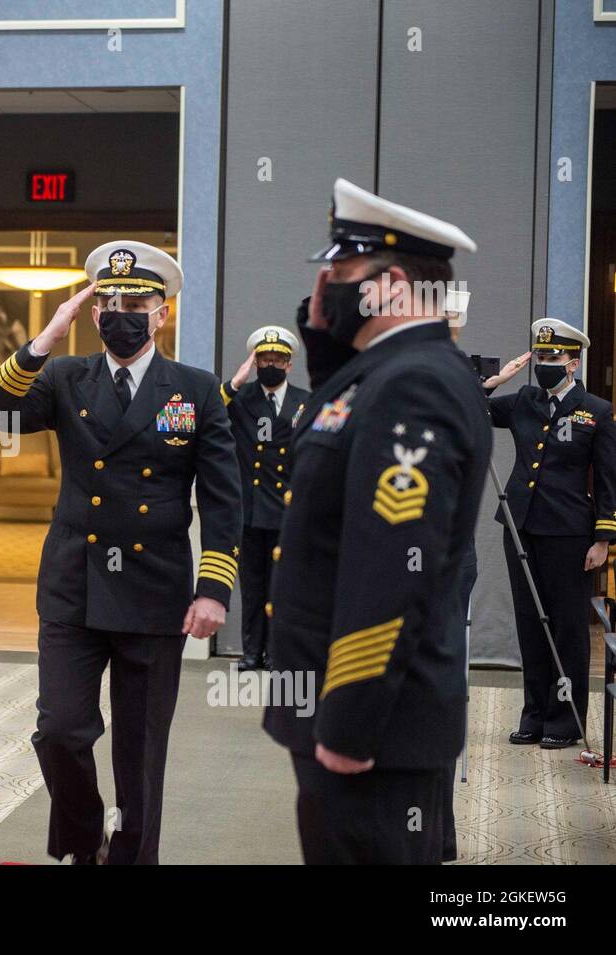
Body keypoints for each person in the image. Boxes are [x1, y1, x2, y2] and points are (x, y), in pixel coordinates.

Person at [0, 240, 242, 865]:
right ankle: (84, 836)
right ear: (94, 315)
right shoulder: (67, 377)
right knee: (62, 730)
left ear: (162, 313)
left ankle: (129, 857)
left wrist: (214, 589)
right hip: (75, 584)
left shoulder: (196, 391)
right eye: (111, 302)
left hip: (155, 591)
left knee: (142, 750)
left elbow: (225, 501)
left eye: (138, 302)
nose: (123, 312)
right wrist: (46, 337)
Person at [263, 178, 491, 864]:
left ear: (392, 285)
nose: (325, 284)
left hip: (374, 733)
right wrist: (323, 331)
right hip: (353, 718)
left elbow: (392, 570)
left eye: (340, 272)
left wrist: (350, 722)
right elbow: (331, 415)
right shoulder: (388, 372)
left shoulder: (414, 385)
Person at [485, 319, 616, 748]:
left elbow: (610, 480)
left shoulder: (596, 410)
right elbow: (470, 409)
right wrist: (495, 381)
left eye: (554, 357)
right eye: (540, 357)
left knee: (567, 626)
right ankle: (534, 715)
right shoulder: (524, 399)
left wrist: (603, 539)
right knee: (530, 624)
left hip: (569, 533)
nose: (545, 364)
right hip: (521, 527)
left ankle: (565, 720)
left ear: (573, 363)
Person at [219, 326, 309, 670]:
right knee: (253, 587)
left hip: (287, 511)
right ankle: (252, 652)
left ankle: (277, 653)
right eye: (264, 358)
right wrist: (235, 383)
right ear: (255, 362)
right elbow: (209, 411)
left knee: (282, 589)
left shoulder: (305, 401)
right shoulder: (241, 399)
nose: (271, 364)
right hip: (251, 511)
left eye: (278, 359)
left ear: (289, 364)